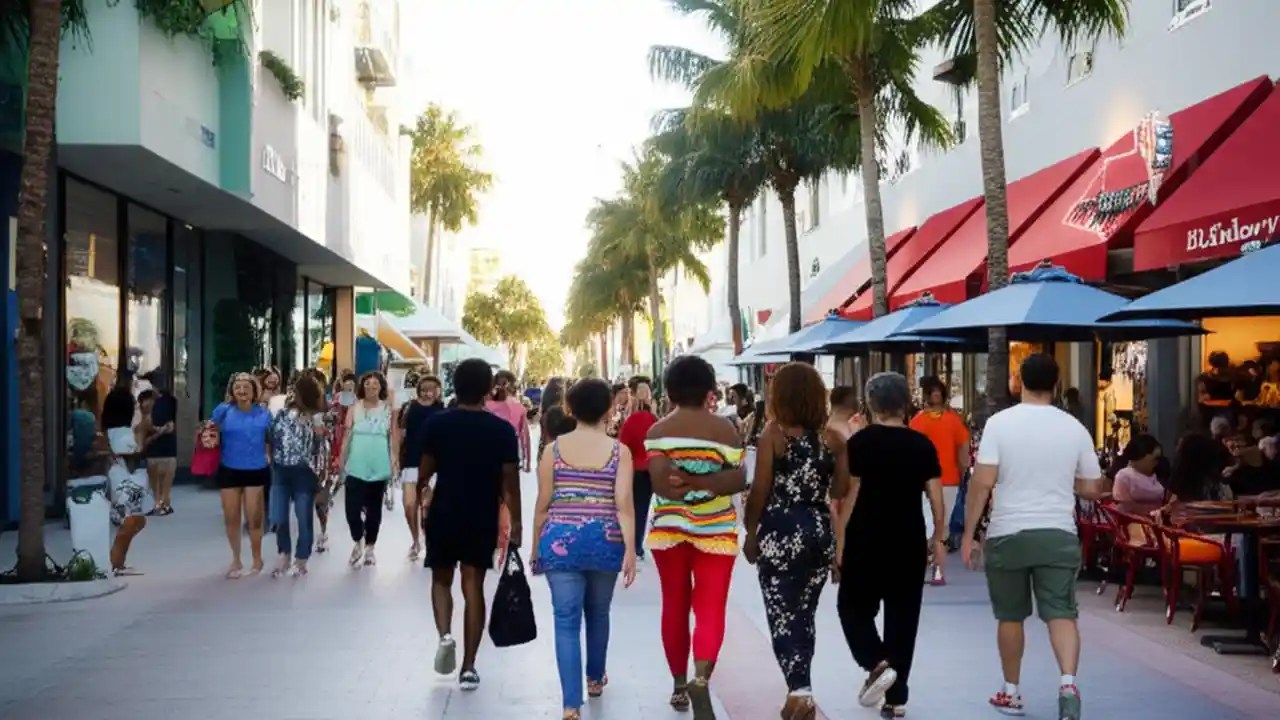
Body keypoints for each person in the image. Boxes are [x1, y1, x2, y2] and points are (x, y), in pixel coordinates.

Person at [961, 354, 1103, 720]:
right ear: (1056, 386)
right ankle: (1068, 685)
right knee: (1062, 613)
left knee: (1010, 616)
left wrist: (969, 534)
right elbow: (1092, 488)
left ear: (1019, 381)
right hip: (1058, 533)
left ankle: (1011, 691)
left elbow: (982, 482)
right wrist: (1058, 479)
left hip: (1009, 533)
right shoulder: (1075, 428)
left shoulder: (999, 424)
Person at [742, 363, 850, 719]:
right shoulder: (833, 440)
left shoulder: (774, 434)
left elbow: (759, 490)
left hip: (780, 530)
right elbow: (840, 489)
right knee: (804, 616)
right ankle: (799, 690)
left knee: (781, 616)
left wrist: (751, 532)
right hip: (817, 531)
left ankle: (799, 691)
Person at [836, 372, 945, 718]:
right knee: (903, 618)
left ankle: (876, 661)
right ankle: (896, 698)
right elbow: (936, 497)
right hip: (908, 539)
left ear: (871, 404)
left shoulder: (860, 443)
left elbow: (850, 494)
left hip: (865, 538)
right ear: (905, 404)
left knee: (852, 607)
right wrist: (938, 537)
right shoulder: (922, 444)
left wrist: (840, 540)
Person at [645, 355, 746, 718]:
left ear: (669, 392)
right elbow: (737, 479)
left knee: (674, 605)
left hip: (669, 531)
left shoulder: (657, 433)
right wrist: (707, 482)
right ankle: (700, 678)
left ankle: (677, 686)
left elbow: (662, 486)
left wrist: (685, 480)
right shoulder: (726, 430)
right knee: (710, 607)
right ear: (709, 392)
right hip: (717, 530)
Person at [531, 378, 638, 720]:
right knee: (598, 612)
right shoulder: (620, 452)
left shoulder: (553, 450)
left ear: (569, 409)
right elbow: (623, 504)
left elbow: (543, 505)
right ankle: (595, 678)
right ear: (609, 409)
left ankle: (570, 704)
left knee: (565, 620)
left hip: (560, 540)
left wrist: (536, 547)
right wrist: (631, 550)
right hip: (605, 540)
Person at [419, 358, 523, 692]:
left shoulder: (437, 425)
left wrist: (423, 496)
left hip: (444, 510)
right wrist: (516, 523)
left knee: (440, 577)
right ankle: (469, 666)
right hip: (480, 513)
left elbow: (424, 472)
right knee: (473, 583)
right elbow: (510, 484)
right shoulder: (501, 430)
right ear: (488, 389)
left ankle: (445, 636)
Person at [211, 373, 273, 578]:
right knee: (231, 517)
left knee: (254, 518)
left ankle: (257, 558)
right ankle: (236, 559)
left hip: (256, 468)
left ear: (254, 390)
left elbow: (272, 439)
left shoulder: (264, 413)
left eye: (246, 386)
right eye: (237, 386)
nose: (242, 390)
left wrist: (270, 456)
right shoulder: (222, 411)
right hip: (229, 468)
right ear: (232, 390)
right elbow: (208, 433)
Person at [909, 376, 970, 584]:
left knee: (929, 524)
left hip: (929, 480)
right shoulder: (952, 420)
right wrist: (964, 471)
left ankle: (931, 567)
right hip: (943, 479)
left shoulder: (918, 421)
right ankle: (936, 570)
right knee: (938, 526)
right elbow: (963, 448)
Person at [268, 374, 326, 577]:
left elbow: (319, 448)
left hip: (301, 472)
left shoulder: (314, 417)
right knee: (281, 516)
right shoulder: (280, 411)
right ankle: (288, 555)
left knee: (300, 517)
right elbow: (271, 437)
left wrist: (320, 476)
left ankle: (298, 558)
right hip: (283, 470)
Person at [339, 371, 398, 567]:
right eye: (367, 384)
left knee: (374, 510)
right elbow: (347, 435)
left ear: (381, 387)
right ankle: (358, 540)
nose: (371, 387)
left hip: (378, 464)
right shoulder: (354, 407)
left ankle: (370, 548)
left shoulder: (387, 409)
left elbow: (393, 437)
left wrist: (394, 460)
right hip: (356, 464)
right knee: (351, 510)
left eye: (375, 385)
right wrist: (341, 458)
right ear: (361, 387)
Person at [398, 374, 445, 561]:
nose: (428, 393)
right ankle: (415, 540)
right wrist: (395, 458)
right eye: (425, 389)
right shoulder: (410, 408)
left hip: (435, 464)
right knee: (410, 505)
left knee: (428, 507)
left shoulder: (443, 410)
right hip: (411, 461)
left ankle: (429, 540)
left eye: (432, 389)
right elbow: (400, 434)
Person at [618, 397, 658, 561]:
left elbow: (623, 446)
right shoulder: (654, 421)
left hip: (632, 469)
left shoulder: (629, 422)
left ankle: (627, 542)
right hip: (648, 469)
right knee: (642, 509)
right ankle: (637, 545)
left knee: (628, 508)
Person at [140, 371, 178, 515]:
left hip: (156, 446)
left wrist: (154, 434)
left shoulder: (148, 400)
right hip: (166, 446)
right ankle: (163, 504)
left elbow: (147, 423)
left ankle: (159, 503)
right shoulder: (171, 400)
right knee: (164, 479)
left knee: (155, 478)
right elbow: (171, 425)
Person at [1112, 434, 1166, 517]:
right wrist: (1152, 513)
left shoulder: (1157, 474)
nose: (1157, 462)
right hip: (1132, 522)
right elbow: (1126, 506)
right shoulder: (1124, 476)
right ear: (1139, 457)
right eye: (1154, 459)